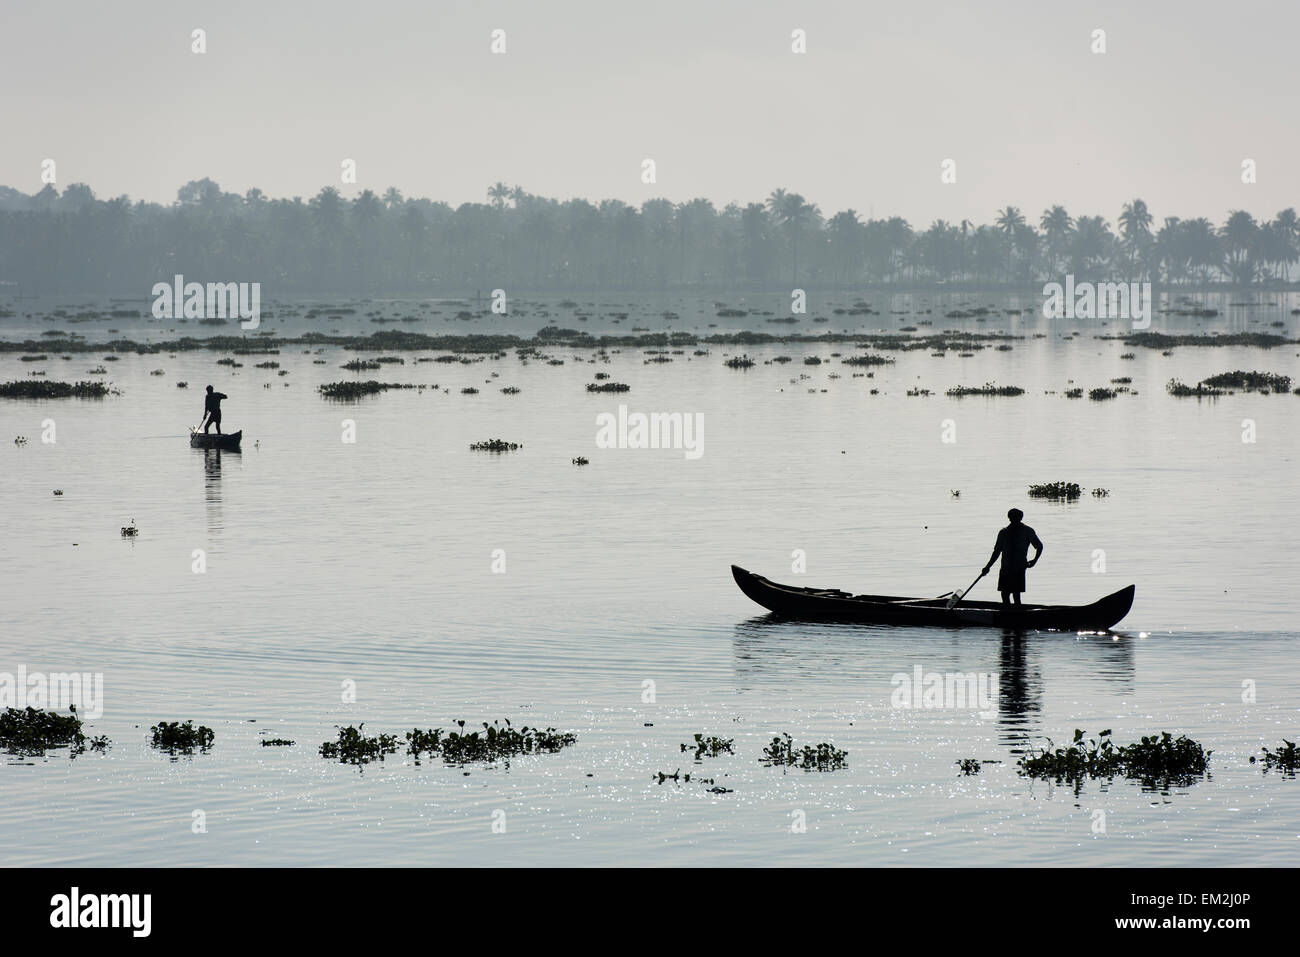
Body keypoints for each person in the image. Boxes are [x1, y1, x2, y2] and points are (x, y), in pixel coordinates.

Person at [982, 508, 1043, 606]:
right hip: (1006, 567)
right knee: (1005, 594)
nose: (1015, 520)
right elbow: (997, 551)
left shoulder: (1027, 531)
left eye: (1017, 518)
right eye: (1013, 518)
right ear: (1009, 518)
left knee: (1016, 594)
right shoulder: (1004, 532)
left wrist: (1034, 560)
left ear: (1021, 518)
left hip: (1019, 567)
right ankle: (1008, 613)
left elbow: (1039, 546)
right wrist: (988, 567)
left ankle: (1015, 614)